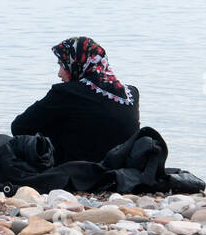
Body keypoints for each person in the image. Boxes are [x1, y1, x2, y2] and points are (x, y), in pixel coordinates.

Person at [11, 36, 140, 164]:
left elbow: (19, 127)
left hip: (78, 177)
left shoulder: (67, 93)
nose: (59, 73)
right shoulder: (132, 94)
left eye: (62, 65)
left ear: (76, 63)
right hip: (123, 176)